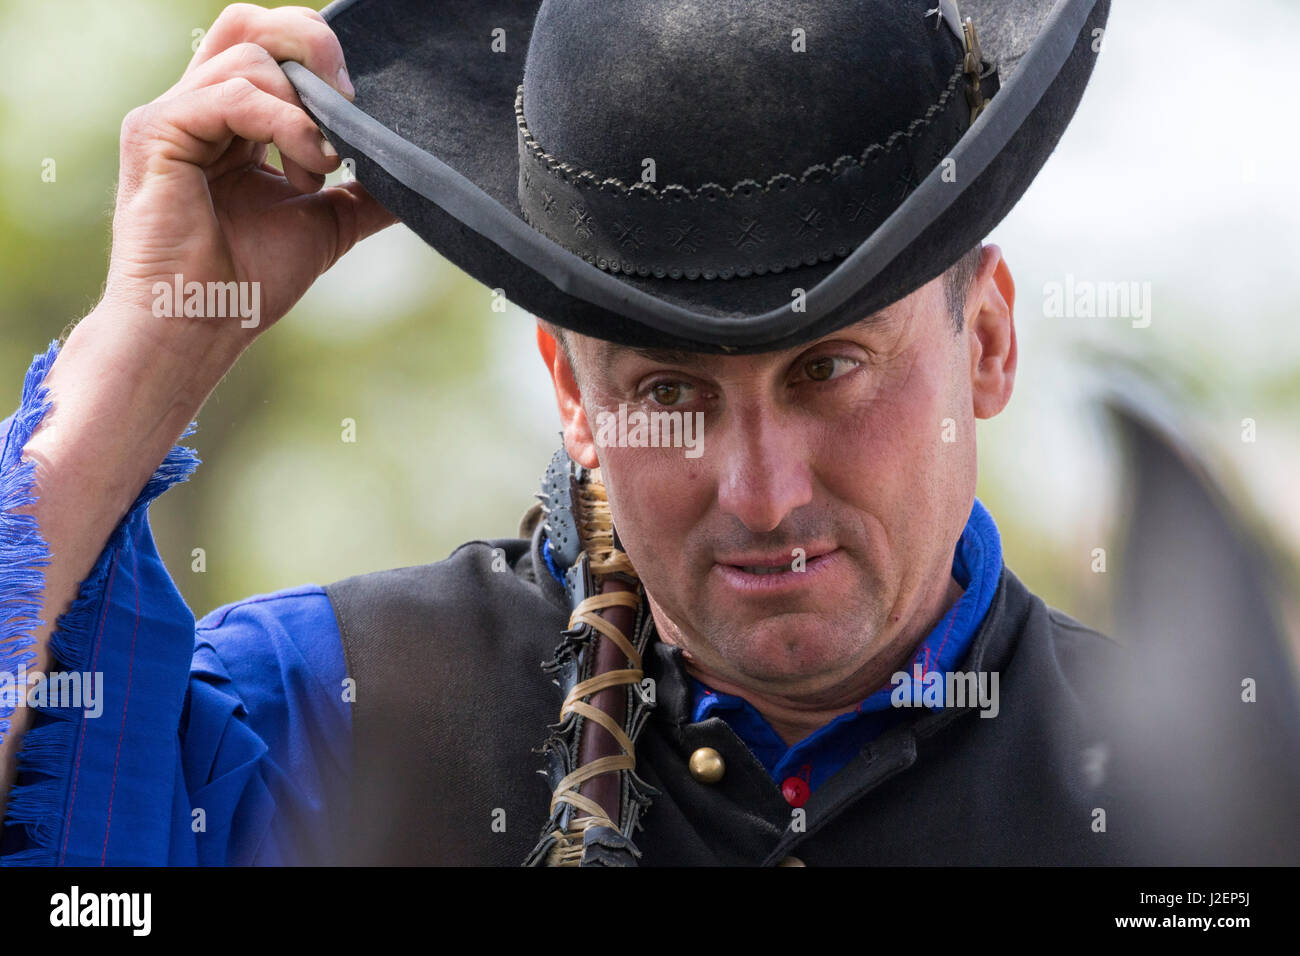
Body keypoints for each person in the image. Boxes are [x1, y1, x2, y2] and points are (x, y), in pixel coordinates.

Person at [0, 0, 1152, 866]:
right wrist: (145, 353)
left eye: (829, 369)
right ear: (570, 393)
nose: (760, 491)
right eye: (668, 393)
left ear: (988, 341)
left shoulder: (1193, 793)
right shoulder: (329, 709)